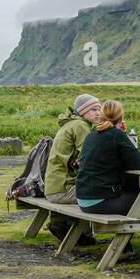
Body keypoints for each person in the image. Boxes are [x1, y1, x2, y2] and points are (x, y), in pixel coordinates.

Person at [76, 100, 140, 219]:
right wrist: (122, 135)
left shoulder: (92, 135)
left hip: (83, 198)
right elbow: (138, 164)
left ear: (102, 115)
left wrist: (121, 135)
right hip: (99, 201)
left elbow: (112, 157)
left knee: (134, 186)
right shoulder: (116, 134)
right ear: (121, 118)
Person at [43, 93, 102, 242]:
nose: (98, 113)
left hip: (53, 186)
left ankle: (61, 224)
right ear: (82, 111)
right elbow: (91, 157)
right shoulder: (81, 126)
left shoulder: (71, 123)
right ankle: (81, 231)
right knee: (104, 193)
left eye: (99, 109)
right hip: (61, 189)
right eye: (94, 109)